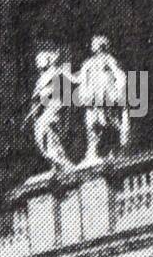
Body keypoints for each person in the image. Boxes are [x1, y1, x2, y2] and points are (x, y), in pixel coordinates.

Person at [78, 36, 131, 164]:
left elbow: (120, 76)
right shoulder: (88, 63)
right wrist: (83, 94)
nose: (96, 47)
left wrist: (118, 92)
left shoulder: (109, 60)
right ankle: (92, 152)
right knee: (92, 124)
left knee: (109, 123)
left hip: (107, 97)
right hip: (93, 98)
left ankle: (114, 151)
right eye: (95, 45)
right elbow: (83, 80)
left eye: (99, 45)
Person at [25, 49, 76, 171]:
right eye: (37, 61)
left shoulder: (56, 72)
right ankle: (56, 165)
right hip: (43, 112)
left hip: (52, 108)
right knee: (42, 137)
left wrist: (42, 97)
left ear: (47, 61)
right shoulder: (41, 79)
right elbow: (36, 98)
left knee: (48, 134)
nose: (38, 64)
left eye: (40, 60)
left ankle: (63, 163)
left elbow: (64, 86)